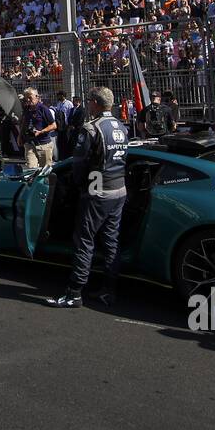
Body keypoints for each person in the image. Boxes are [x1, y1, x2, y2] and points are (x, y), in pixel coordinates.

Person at [45, 86, 129, 309]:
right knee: (111, 242)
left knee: (84, 240)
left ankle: (74, 293)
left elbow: (79, 165)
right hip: (120, 188)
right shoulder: (121, 126)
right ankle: (108, 292)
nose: (89, 104)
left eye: (90, 101)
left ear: (95, 103)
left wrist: (80, 185)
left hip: (98, 189)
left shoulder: (91, 129)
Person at [21, 88, 58, 169]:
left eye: (30, 97)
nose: (28, 99)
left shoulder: (43, 109)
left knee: (45, 171)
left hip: (43, 144)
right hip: (30, 143)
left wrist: (41, 131)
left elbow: (54, 125)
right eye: (26, 97)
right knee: (31, 168)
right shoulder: (26, 109)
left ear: (37, 97)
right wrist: (20, 136)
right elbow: (24, 123)